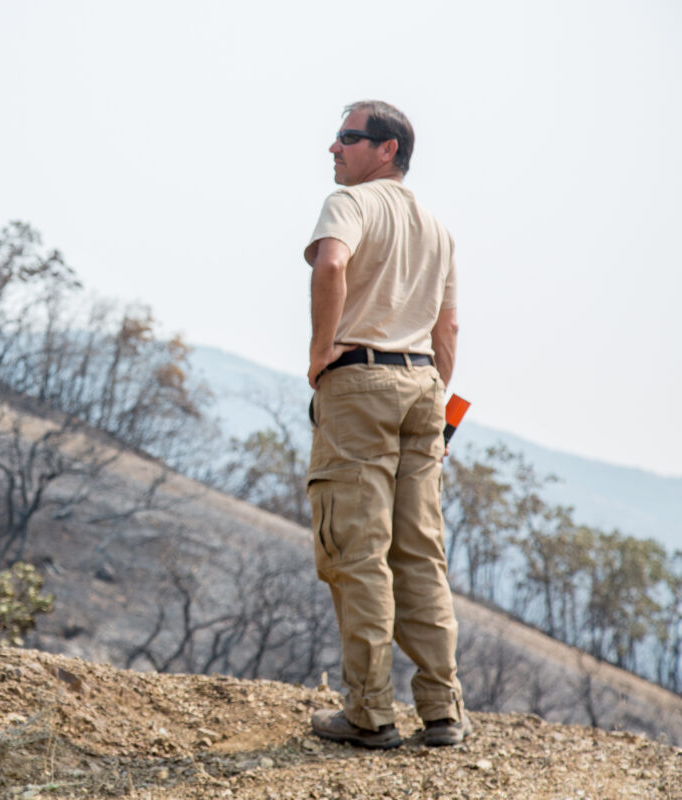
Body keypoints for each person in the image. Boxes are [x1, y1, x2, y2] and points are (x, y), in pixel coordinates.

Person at [303, 100, 470, 748]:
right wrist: (433, 396)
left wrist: (322, 352)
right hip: (424, 385)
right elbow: (448, 326)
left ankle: (371, 713)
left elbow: (333, 264)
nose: (333, 149)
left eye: (347, 138)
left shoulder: (350, 204)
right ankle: (443, 711)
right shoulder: (437, 227)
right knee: (421, 552)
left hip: (362, 381)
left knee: (356, 551)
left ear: (387, 150)